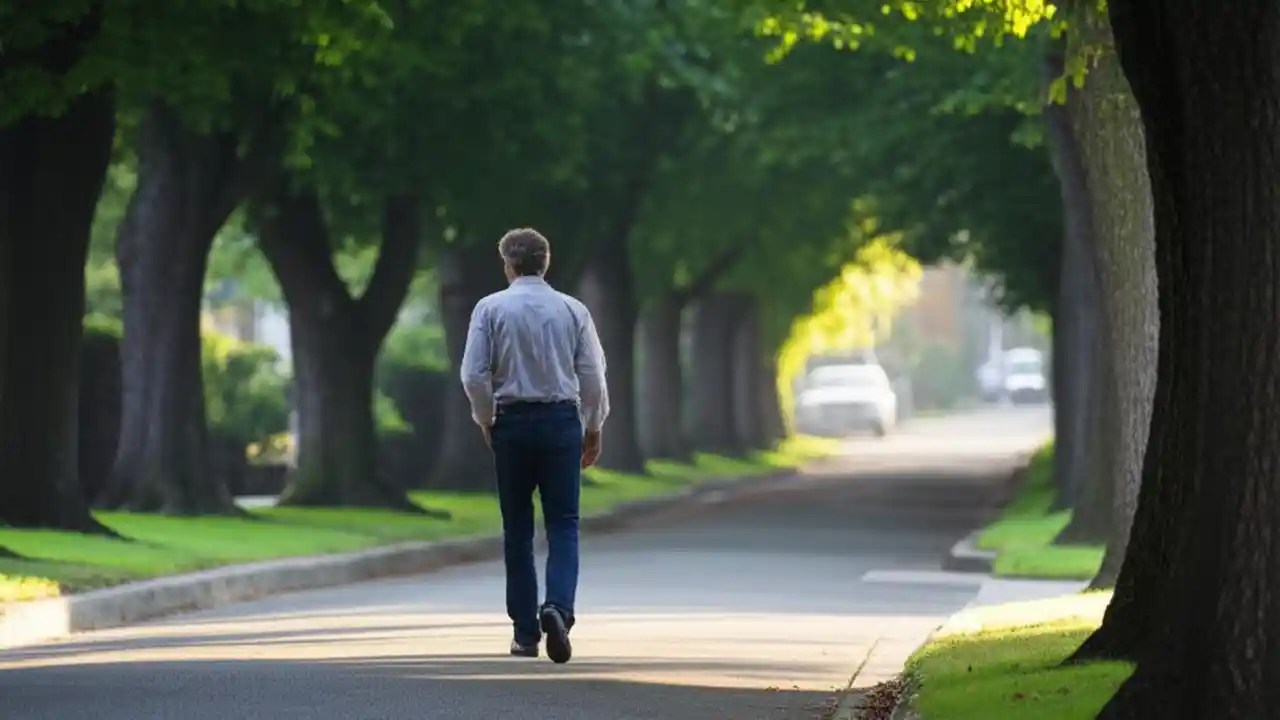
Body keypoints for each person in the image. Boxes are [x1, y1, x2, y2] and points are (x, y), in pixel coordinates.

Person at [460, 228, 609, 664]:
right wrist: (594, 426)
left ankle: (525, 633)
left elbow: (473, 374)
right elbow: (593, 375)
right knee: (563, 523)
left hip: (511, 421)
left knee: (518, 529)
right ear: (546, 263)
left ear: (508, 264)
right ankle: (558, 607)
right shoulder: (572, 309)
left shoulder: (490, 308)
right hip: (561, 421)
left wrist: (486, 418)